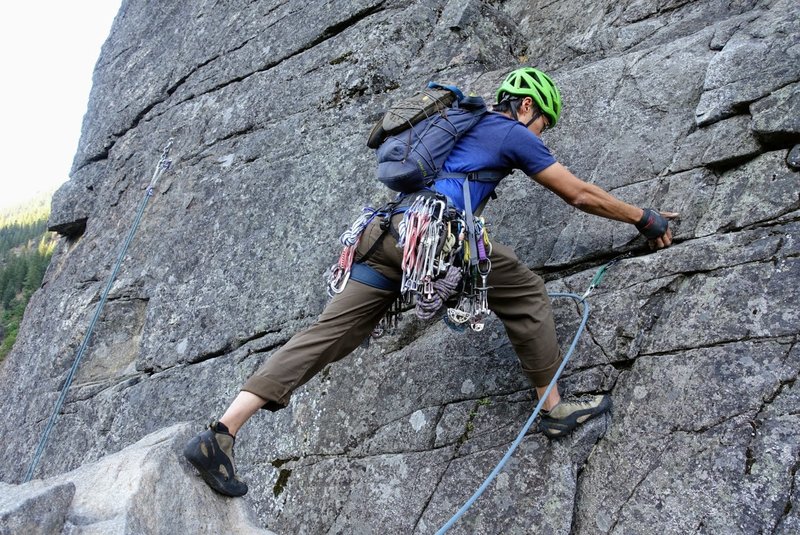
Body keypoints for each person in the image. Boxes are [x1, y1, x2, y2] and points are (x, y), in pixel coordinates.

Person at [183, 67, 676, 497]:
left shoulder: (454, 130)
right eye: (544, 121)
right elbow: (579, 194)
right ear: (527, 106)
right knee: (525, 291)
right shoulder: (510, 130)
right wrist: (642, 218)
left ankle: (221, 434)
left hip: (384, 235)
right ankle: (555, 408)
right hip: (433, 237)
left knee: (326, 336)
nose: (542, 132)